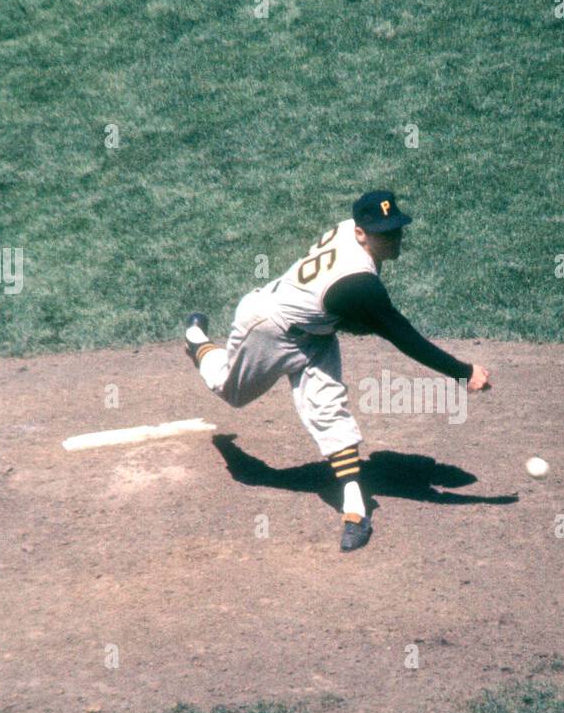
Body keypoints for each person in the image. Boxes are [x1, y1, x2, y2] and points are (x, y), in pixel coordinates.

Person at [184, 190, 491, 551]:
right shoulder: (359, 282)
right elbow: (401, 335)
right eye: (384, 232)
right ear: (360, 232)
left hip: (316, 335)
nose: (394, 237)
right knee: (228, 391)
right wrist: (462, 371)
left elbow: (348, 312)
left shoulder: (350, 232)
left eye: (396, 228)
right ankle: (195, 338)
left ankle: (356, 513)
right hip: (268, 328)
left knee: (330, 412)